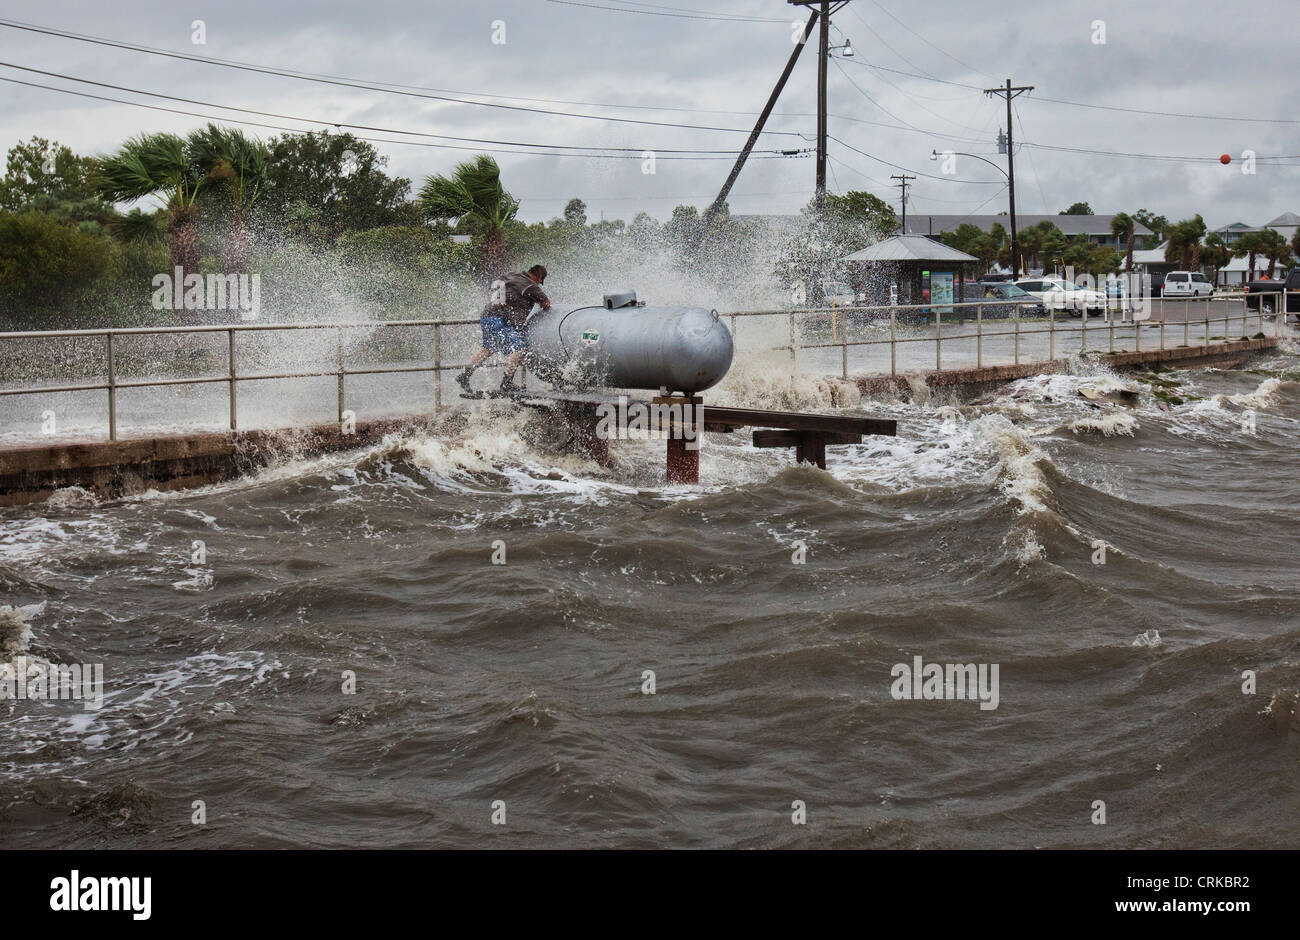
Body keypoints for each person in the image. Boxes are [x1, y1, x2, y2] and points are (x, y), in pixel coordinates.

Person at [457, 265, 550, 397]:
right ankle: (506, 383)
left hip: (487, 316)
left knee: (488, 348)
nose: (540, 284)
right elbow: (546, 302)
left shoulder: (511, 276)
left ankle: (464, 376)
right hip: (499, 319)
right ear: (539, 277)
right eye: (540, 281)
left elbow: (502, 291)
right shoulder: (529, 285)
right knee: (519, 348)